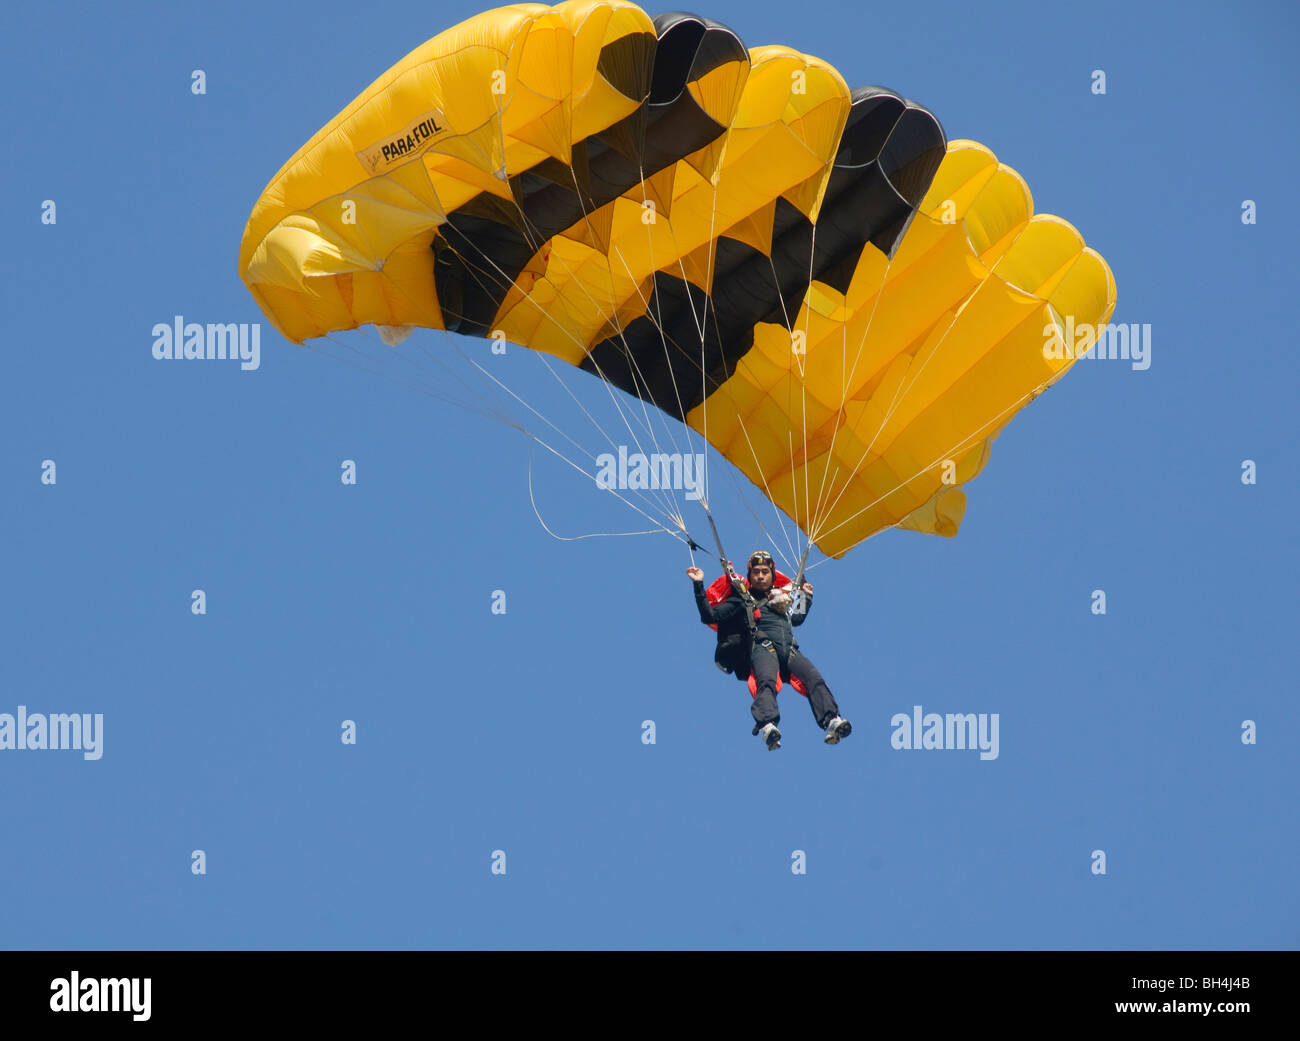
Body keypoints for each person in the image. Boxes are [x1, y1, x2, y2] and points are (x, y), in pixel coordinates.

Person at [688, 551, 851, 751]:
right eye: (756, 572)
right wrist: (698, 584)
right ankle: (767, 724)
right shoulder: (741, 600)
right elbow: (709, 616)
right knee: (766, 683)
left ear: (772, 575)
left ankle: (831, 720)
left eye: (765, 572)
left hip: (790, 651)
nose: (760, 576)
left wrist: (806, 596)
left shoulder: (781, 599)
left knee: (814, 678)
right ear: (749, 576)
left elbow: (797, 618)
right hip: (763, 648)